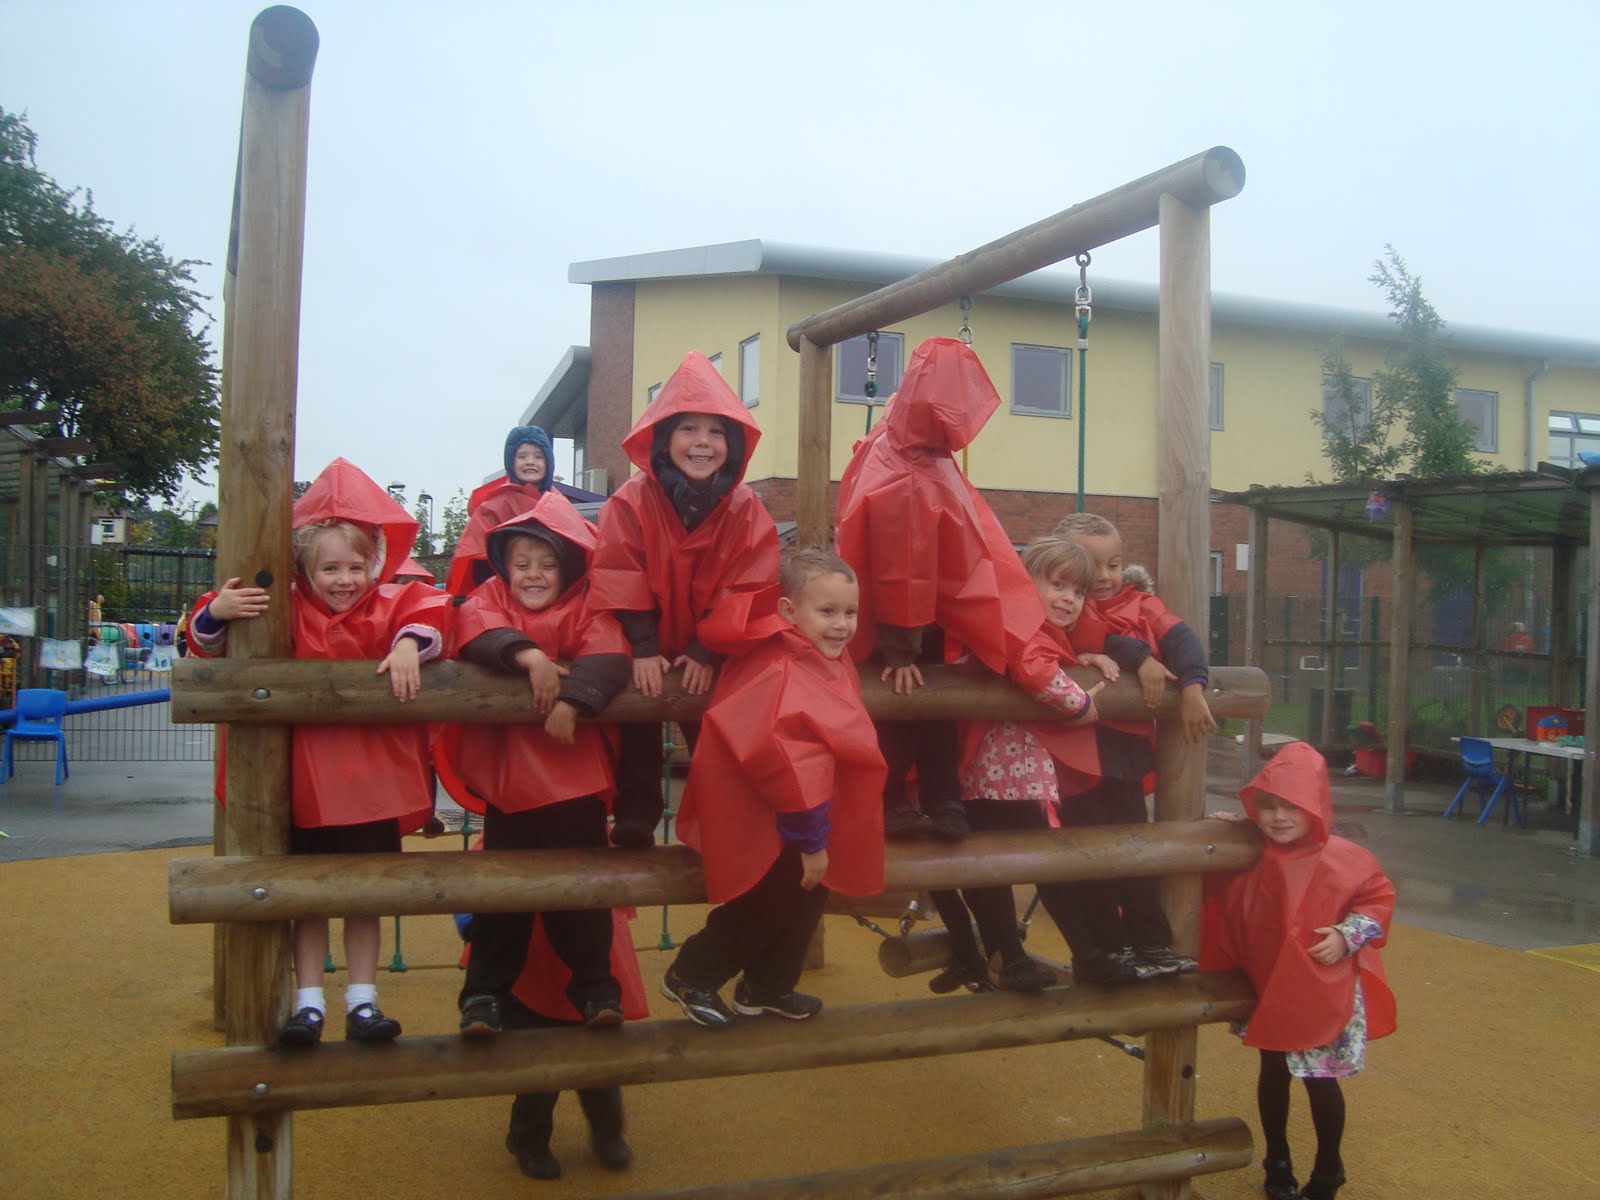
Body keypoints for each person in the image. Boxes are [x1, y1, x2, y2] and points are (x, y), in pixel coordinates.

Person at [188, 457, 448, 1046]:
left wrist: (408, 646)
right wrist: (216, 612)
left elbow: (429, 617)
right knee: (306, 896)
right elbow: (213, 642)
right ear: (306, 569)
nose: (344, 580)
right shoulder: (285, 611)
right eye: (330, 568)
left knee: (365, 892)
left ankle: (362, 1000)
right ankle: (308, 1001)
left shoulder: (388, 608)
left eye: (356, 566)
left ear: (373, 565)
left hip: (370, 786)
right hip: (301, 784)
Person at [835, 337, 1053, 846]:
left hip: (900, 615)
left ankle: (934, 798)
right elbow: (901, 570)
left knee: (925, 709)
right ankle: (913, 800)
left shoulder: (898, 443)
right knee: (910, 705)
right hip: (899, 626)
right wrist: (900, 649)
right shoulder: (909, 471)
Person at [659, 549, 887, 1028]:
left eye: (850, 612)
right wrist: (810, 840)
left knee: (807, 898)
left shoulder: (807, 654)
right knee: (765, 902)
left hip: (795, 812)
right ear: (789, 610)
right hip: (774, 819)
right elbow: (785, 761)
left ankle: (767, 985)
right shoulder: (782, 666)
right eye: (827, 611)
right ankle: (691, 974)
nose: (841, 625)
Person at [433, 491, 631, 1035]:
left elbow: (610, 653)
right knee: (503, 895)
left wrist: (572, 703)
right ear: (504, 567)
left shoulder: (588, 602)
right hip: (512, 785)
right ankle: (483, 996)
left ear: (569, 568)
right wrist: (531, 654)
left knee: (584, 891)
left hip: (576, 782)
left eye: (547, 564)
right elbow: (473, 627)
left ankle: (597, 989)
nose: (534, 575)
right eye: (522, 564)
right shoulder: (492, 597)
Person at [587, 350, 779, 849]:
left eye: (716, 431)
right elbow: (619, 571)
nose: (702, 442)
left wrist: (704, 650)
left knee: (718, 728)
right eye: (688, 428)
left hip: (711, 646)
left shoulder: (745, 508)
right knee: (638, 716)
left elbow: (748, 583)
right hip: (643, 639)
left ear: (732, 443)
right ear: (664, 438)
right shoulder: (631, 500)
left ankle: (722, 826)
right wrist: (644, 648)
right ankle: (636, 815)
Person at [1203, 742, 1396, 1200]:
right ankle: (1278, 1160)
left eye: (1293, 806)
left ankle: (1328, 1168)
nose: (1279, 817)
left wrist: (1347, 935)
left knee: (1321, 1082)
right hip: (1270, 987)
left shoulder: (1345, 858)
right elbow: (1211, 884)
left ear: (1316, 804)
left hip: (1322, 991)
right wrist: (1220, 832)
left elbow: (1377, 899)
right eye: (1269, 806)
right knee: (1273, 1073)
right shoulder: (1249, 850)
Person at [936, 536, 1116, 994]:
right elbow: (1035, 669)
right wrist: (1080, 703)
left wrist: (1086, 657)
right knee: (1008, 864)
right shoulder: (1019, 626)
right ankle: (1044, 955)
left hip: (1008, 773)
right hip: (997, 770)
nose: (1069, 598)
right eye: (1057, 585)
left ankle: (1046, 955)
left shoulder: (1034, 628)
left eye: (1078, 591)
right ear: (1023, 584)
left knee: (1015, 863)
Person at [1052, 510, 1215, 983]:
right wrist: (1142, 658)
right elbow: (1096, 637)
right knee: (1090, 851)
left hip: (1122, 748)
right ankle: (1108, 950)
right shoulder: (1063, 604)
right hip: (1074, 752)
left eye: (1115, 564)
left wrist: (1193, 685)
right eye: (1092, 565)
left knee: (1133, 846)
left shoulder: (1141, 604)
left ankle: (1152, 944)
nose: (1105, 576)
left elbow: (1182, 640)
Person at [445, 424, 559, 597]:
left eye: (538, 456)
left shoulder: (558, 504)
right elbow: (475, 556)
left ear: (548, 463)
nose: (530, 461)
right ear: (511, 462)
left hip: (551, 592)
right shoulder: (494, 506)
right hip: (505, 593)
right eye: (522, 456)